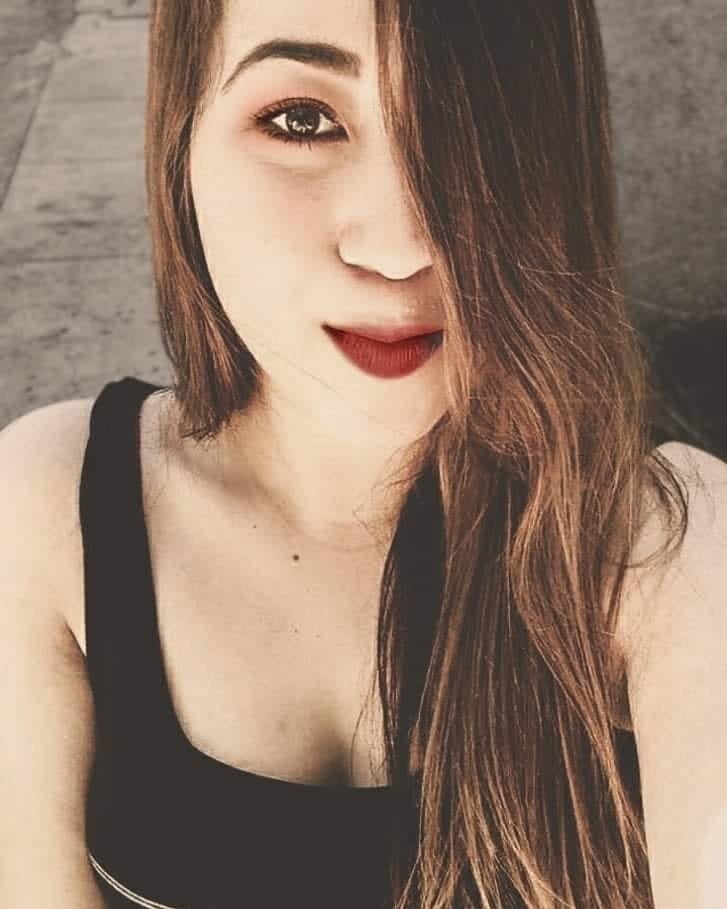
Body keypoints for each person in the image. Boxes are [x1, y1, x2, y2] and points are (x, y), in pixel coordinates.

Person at [2, 0, 726, 907]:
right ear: (180, 137)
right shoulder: (46, 511)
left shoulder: (670, 547)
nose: (401, 245)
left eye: (476, 126)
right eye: (301, 120)